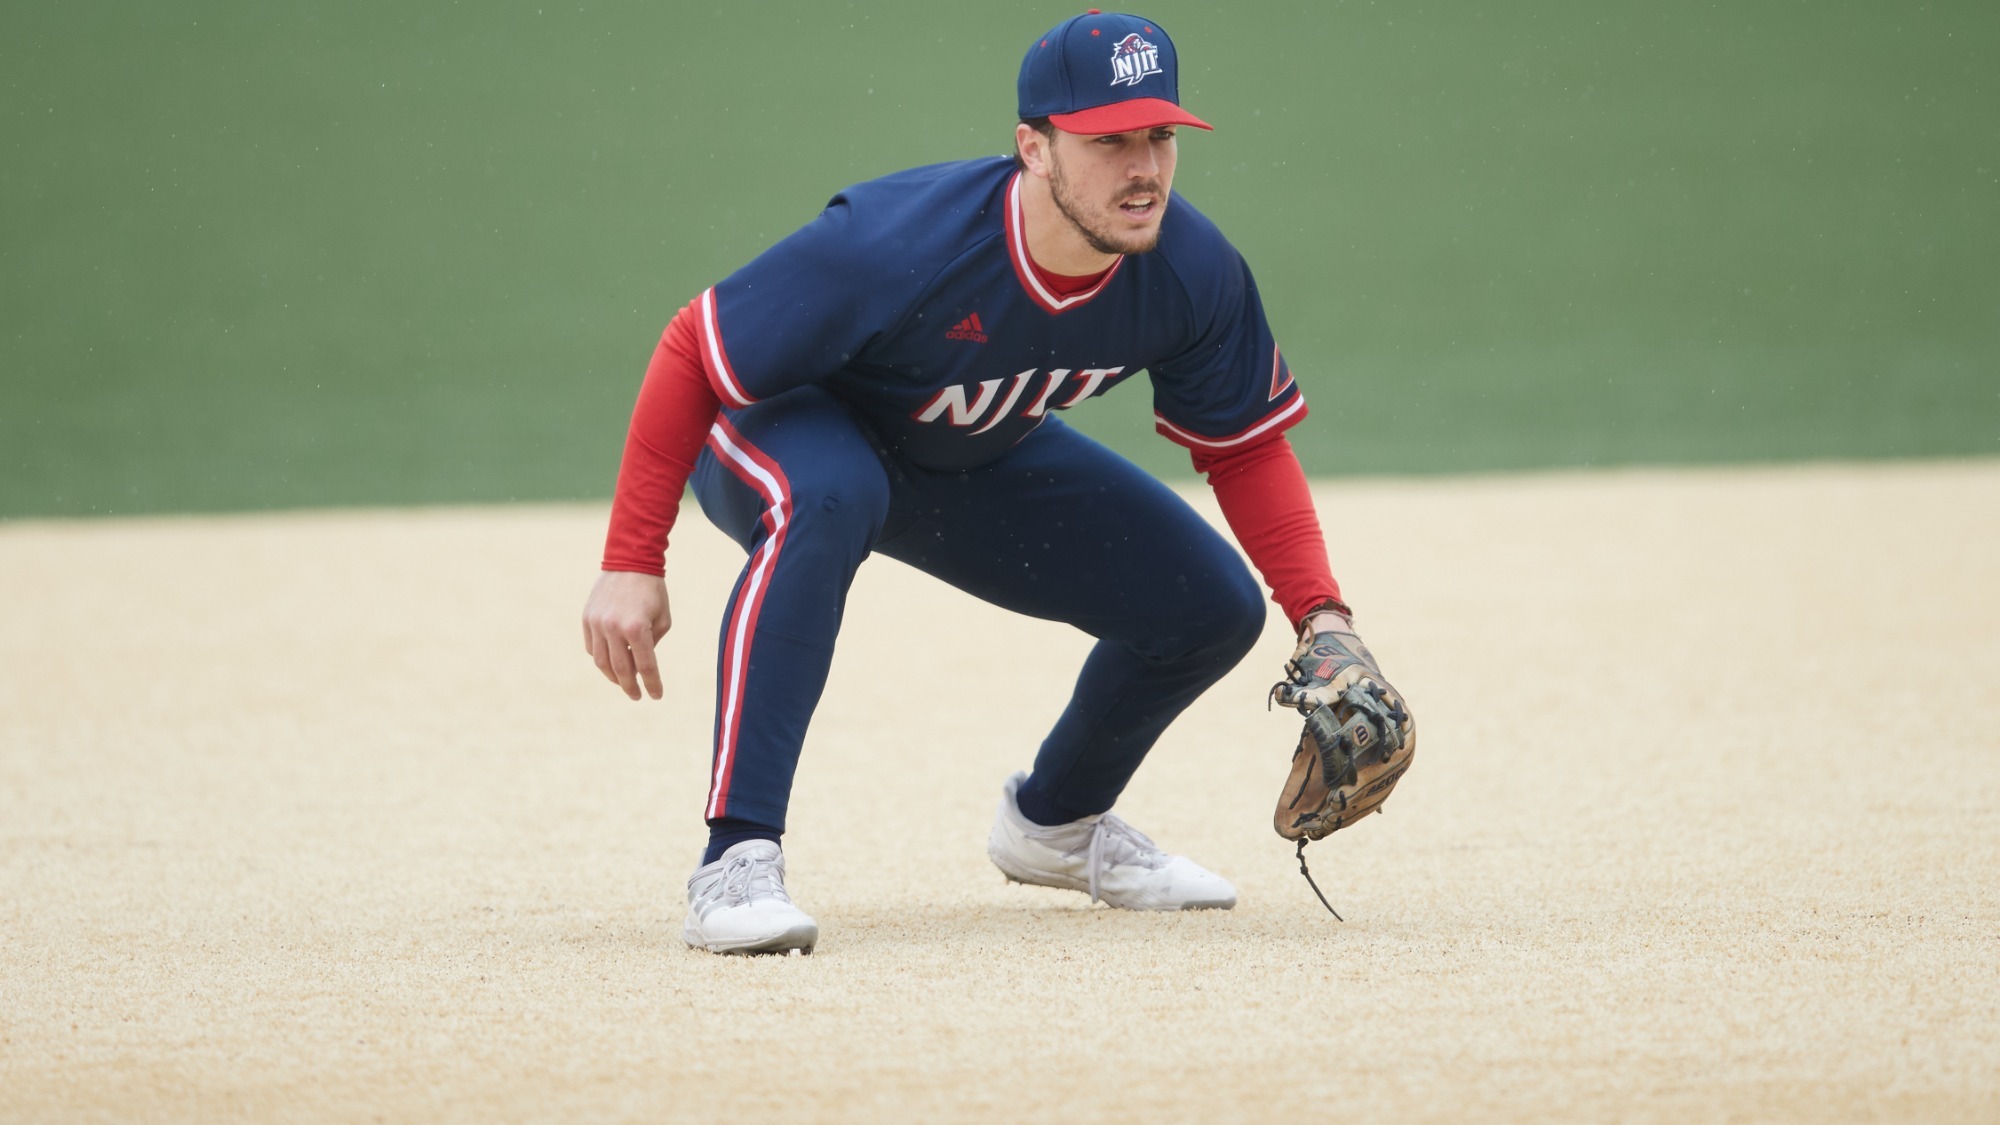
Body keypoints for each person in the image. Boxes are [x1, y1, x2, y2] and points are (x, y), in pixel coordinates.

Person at [582, 10, 1392, 955]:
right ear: (1034, 148)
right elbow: (694, 346)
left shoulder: (1190, 271)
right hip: (786, 429)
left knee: (1211, 606)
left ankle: (1057, 822)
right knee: (832, 493)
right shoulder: (899, 240)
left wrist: (1321, 614)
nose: (1144, 167)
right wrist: (632, 558)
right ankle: (736, 857)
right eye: (1109, 140)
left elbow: (1244, 448)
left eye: (1160, 135)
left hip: (963, 450)